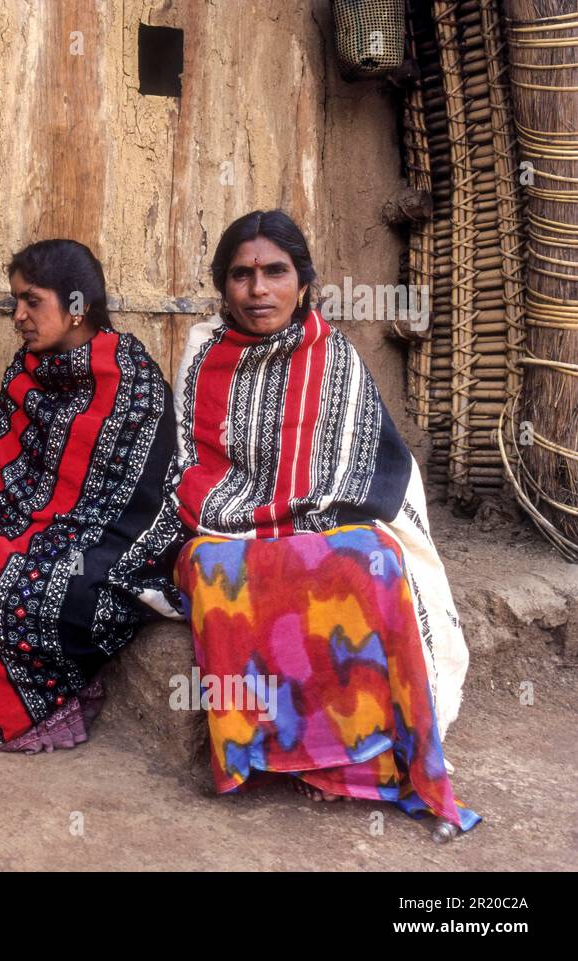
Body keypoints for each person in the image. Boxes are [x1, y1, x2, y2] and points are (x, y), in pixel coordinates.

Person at [169, 209, 479, 836]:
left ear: (302, 282)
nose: (258, 290)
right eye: (241, 275)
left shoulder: (332, 355)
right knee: (212, 568)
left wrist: (301, 520)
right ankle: (267, 751)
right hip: (227, 522)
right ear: (223, 286)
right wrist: (250, 518)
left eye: (275, 272)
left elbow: (364, 465)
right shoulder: (203, 357)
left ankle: (353, 765)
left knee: (367, 562)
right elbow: (190, 462)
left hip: (323, 519)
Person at [0, 239, 185, 753]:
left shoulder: (132, 379)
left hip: (111, 545)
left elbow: (140, 499)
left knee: (21, 597)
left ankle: (48, 706)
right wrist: (5, 528)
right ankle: (55, 696)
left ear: (76, 307)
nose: (18, 316)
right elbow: (1, 468)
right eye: (15, 302)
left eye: (32, 301)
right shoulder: (26, 372)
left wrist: (54, 538)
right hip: (31, 527)